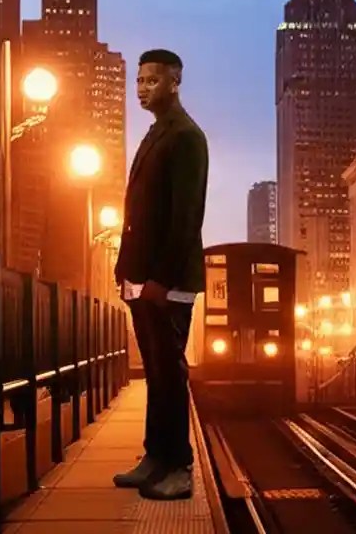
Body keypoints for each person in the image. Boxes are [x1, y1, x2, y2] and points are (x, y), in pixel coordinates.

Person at [112, 48, 209, 500]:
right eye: (139, 80)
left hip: (167, 284)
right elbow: (138, 212)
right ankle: (155, 456)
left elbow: (185, 217)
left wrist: (161, 280)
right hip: (144, 279)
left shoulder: (186, 137)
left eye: (153, 80)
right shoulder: (157, 134)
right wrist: (124, 270)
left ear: (175, 81)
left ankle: (180, 468)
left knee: (169, 374)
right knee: (155, 371)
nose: (143, 87)